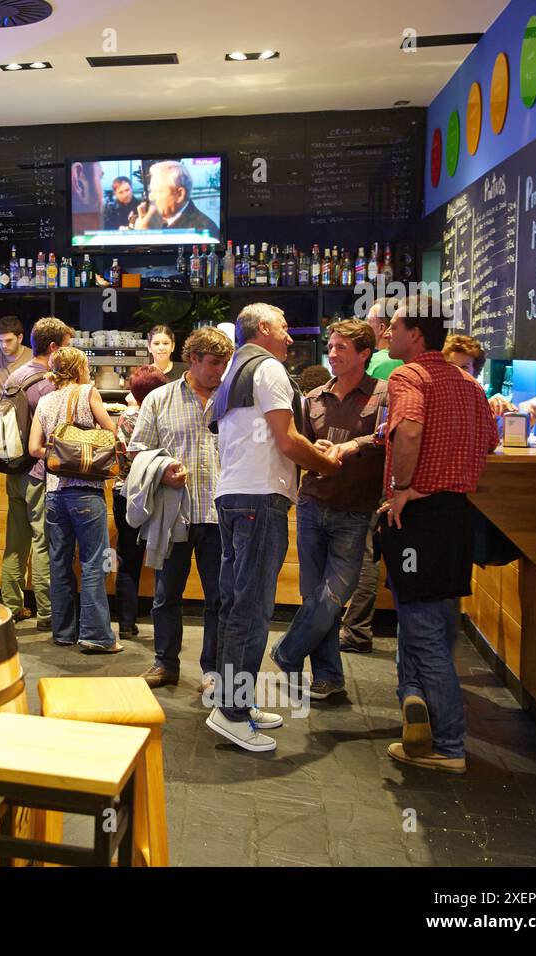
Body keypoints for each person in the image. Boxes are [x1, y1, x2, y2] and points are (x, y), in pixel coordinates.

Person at [206, 303, 341, 752]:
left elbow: (258, 437)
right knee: (252, 607)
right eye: (284, 328)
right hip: (259, 499)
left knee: (235, 604)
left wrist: (304, 448)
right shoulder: (268, 369)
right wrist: (325, 461)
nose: (290, 336)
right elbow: (285, 441)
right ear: (263, 329)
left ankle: (235, 702)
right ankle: (230, 711)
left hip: (233, 496)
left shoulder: (232, 372)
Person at [380, 298, 498, 774]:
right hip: (456, 516)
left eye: (394, 327)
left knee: (423, 629)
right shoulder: (468, 383)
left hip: (420, 519)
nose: (388, 334)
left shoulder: (409, 377)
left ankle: (448, 745)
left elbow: (408, 431)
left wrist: (405, 487)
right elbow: (490, 440)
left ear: (417, 335)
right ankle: (417, 708)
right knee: (436, 620)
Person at [270, 319, 388, 701]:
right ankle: (328, 677)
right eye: (331, 346)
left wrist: (353, 445)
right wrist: (312, 452)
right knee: (313, 594)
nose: (333, 354)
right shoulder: (314, 397)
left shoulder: (384, 395)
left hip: (355, 510)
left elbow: (390, 437)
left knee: (334, 594)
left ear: (365, 354)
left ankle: (288, 652)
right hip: (311, 505)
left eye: (342, 348)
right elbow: (299, 444)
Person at [127, 327, 234, 690]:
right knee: (165, 594)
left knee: (219, 597)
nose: (220, 370)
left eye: (225, 363)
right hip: (173, 513)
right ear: (193, 359)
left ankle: (213, 670)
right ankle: (164, 662)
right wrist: (162, 472)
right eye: (214, 363)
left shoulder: (234, 398)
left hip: (220, 514)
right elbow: (137, 450)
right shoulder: (159, 399)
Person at [27, 347, 121, 653]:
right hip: (85, 490)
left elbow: (33, 448)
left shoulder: (43, 401)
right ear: (80, 368)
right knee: (93, 562)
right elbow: (110, 433)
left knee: (59, 561)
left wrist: (60, 456)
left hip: (54, 491)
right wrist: (81, 455)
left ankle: (63, 632)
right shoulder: (87, 392)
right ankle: (96, 635)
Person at [339, 296, 404, 653]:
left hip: (370, 473)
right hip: (392, 474)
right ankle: (356, 627)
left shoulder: (383, 365)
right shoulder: (403, 366)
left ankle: (356, 628)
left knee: (364, 553)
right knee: (368, 551)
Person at [0, 317, 72, 629]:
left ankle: (11, 607)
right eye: (67, 346)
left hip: (13, 470)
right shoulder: (48, 384)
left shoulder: (15, 376)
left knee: (15, 542)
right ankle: (47, 613)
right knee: (43, 543)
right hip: (39, 472)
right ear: (53, 347)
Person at [111, 364, 171, 637]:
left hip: (126, 490)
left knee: (128, 557)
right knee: (165, 557)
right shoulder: (165, 415)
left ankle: (126, 623)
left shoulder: (125, 418)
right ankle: (164, 626)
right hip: (159, 490)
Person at [133, 160, 219, 238]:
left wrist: (146, 235)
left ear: (180, 194)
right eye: (151, 191)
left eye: (157, 191)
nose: (151, 197)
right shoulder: (159, 220)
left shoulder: (203, 231)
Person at [365, 296, 405, 381]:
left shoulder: (374, 362)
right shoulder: (408, 357)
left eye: (368, 321)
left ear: (381, 328)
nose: (364, 326)